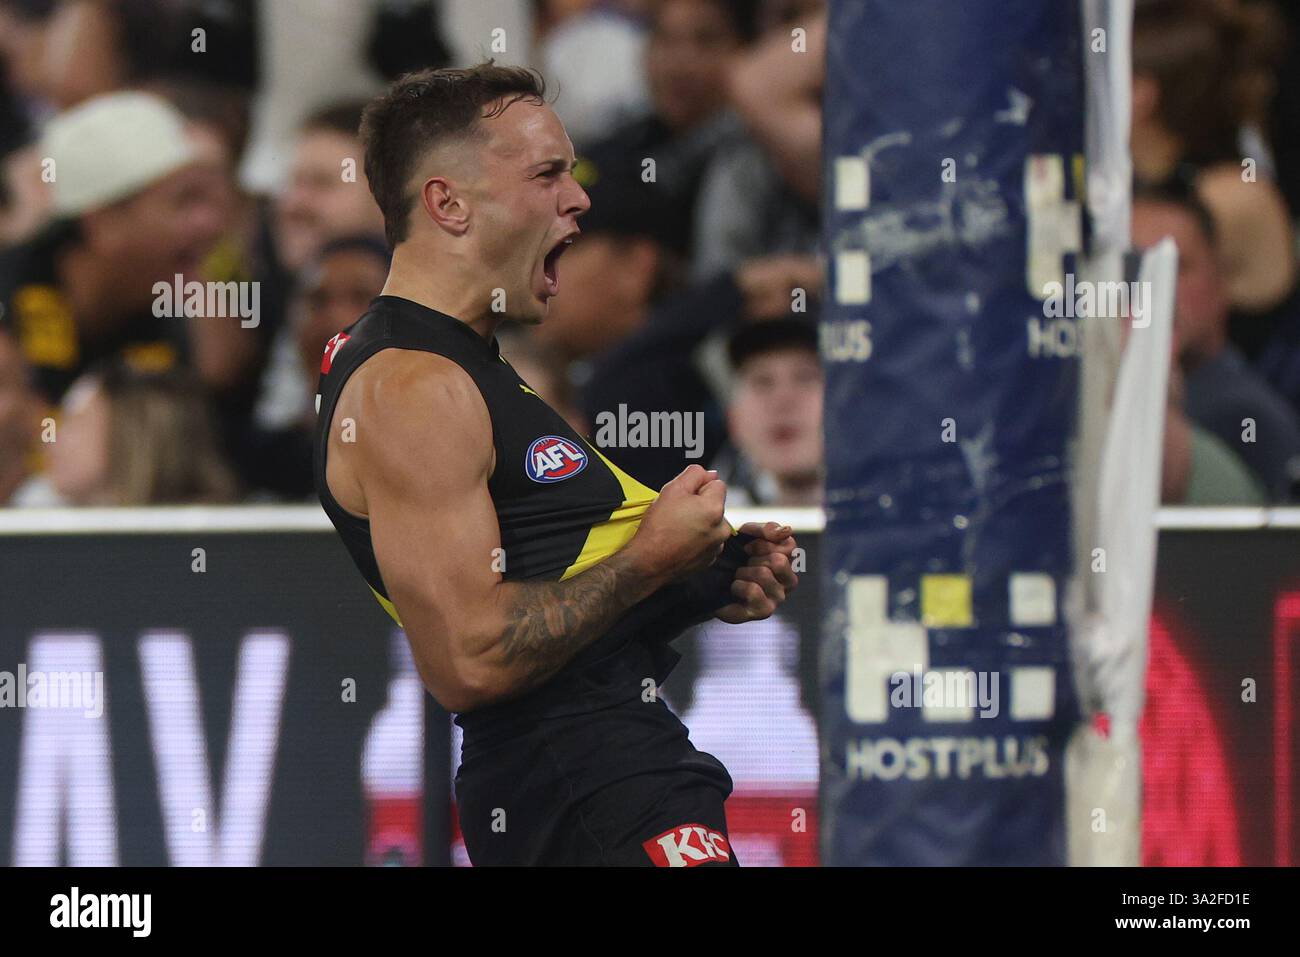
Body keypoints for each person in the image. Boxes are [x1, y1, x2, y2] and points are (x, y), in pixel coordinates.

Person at [314, 62, 799, 866]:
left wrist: (699, 579)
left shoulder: (466, 364)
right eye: (547, 174)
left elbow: (549, 583)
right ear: (449, 203)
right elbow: (469, 658)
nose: (577, 199)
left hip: (601, 775)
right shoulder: (412, 386)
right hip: (586, 783)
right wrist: (650, 560)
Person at [0, 90, 226, 404]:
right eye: (185, 201)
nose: (211, 223)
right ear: (103, 221)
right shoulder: (9, 304)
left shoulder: (167, 321)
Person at [1132, 182, 1300, 500]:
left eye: (1175, 267)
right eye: (1133, 268)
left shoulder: (1249, 419)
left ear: (1221, 282)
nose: (1150, 288)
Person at [717, 318, 824, 506]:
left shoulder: (889, 517)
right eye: (763, 381)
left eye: (805, 377)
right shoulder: (701, 528)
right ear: (734, 420)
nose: (782, 400)